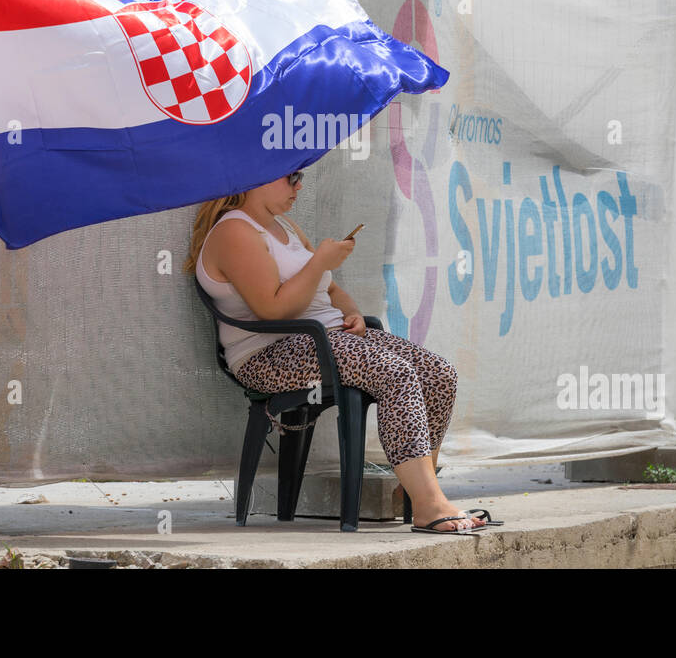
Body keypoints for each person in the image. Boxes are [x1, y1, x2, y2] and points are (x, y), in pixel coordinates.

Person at [184, 170, 500, 534]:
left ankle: (421, 490)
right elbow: (271, 309)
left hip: (327, 339)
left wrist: (352, 315)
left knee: (438, 373)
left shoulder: (285, 228)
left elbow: (332, 293)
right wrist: (320, 260)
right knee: (394, 372)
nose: (299, 186)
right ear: (257, 176)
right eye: (292, 177)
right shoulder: (233, 232)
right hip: (269, 354)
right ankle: (430, 505)